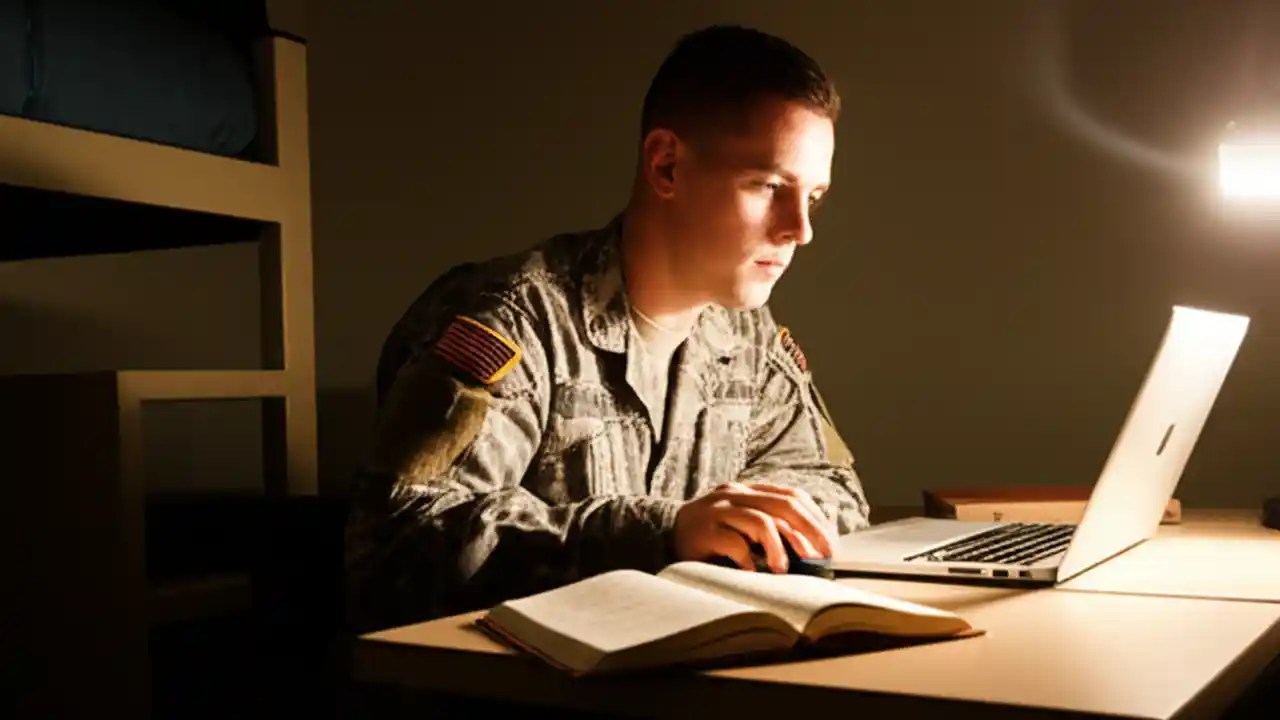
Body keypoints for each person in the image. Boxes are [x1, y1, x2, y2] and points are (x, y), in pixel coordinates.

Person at [343, 24, 871, 634]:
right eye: (769, 186)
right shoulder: (513, 321)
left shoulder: (745, 339)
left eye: (815, 197)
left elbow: (837, 490)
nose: (799, 229)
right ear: (666, 164)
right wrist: (663, 533)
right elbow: (396, 548)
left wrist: (755, 524)